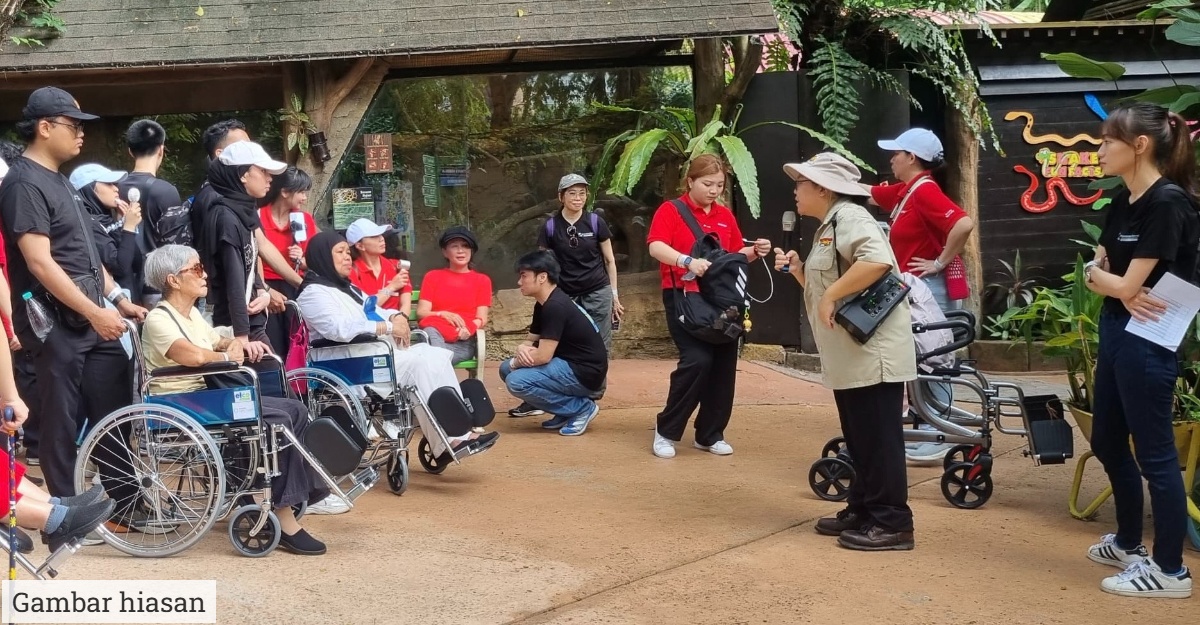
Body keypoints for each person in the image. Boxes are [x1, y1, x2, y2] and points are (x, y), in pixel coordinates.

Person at [0, 87, 148, 497]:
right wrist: (95, 312)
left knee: (114, 410)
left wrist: (117, 299)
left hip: (90, 316)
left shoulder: (61, 181)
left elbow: (84, 254)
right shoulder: (22, 184)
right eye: (73, 125)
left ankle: (124, 503)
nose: (81, 134)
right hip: (53, 323)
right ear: (44, 128)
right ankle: (63, 510)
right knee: (60, 420)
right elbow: (40, 262)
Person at [141, 244, 336, 555]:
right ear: (173, 280)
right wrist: (224, 354)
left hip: (207, 395)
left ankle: (290, 494)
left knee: (294, 409)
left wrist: (231, 343)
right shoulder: (159, 319)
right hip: (182, 401)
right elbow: (190, 356)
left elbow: (219, 340)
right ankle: (284, 518)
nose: (204, 274)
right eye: (196, 269)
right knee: (275, 420)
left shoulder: (190, 314)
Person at [1079, 101, 1196, 599]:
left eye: (1108, 141)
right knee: (1106, 438)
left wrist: (1108, 280)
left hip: (1149, 339)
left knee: (1155, 455)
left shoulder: (1168, 203)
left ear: (1140, 145)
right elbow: (1102, 272)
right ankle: (1129, 542)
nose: (1100, 149)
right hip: (1117, 330)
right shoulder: (1123, 202)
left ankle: (1170, 571)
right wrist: (1106, 280)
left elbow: (1125, 281)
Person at [774, 152, 916, 551]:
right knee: (861, 436)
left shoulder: (851, 218)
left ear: (823, 188)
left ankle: (893, 522)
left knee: (879, 437)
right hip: (851, 353)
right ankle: (864, 509)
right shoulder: (829, 226)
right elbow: (827, 291)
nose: (796, 191)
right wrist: (800, 270)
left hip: (873, 354)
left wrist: (832, 293)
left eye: (801, 183)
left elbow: (877, 261)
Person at [297, 232, 498, 453]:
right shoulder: (313, 293)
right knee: (422, 363)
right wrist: (390, 327)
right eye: (340, 252)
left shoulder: (346, 288)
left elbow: (376, 310)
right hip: (346, 363)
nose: (347, 257)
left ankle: (453, 436)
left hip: (367, 355)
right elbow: (338, 329)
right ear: (322, 257)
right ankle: (452, 439)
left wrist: (396, 317)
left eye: (347, 251)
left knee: (433, 355)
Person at [644, 154, 771, 459]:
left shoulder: (725, 215)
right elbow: (655, 245)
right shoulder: (671, 210)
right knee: (697, 360)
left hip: (722, 298)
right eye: (707, 184)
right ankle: (667, 430)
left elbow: (733, 255)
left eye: (719, 185)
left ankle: (710, 433)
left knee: (724, 365)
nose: (714, 190)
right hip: (683, 295)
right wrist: (686, 260)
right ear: (690, 181)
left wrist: (754, 251)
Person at [871, 128, 975, 463]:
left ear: (912, 158)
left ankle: (940, 434)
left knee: (935, 359)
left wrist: (940, 260)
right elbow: (871, 194)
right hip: (920, 289)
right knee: (924, 360)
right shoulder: (908, 190)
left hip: (931, 289)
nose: (892, 159)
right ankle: (934, 426)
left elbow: (963, 223)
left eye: (896, 153)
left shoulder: (924, 190)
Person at [509, 174, 623, 419]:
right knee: (552, 345)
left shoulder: (595, 222)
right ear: (561, 197)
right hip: (565, 293)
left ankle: (591, 397)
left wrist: (614, 295)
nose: (578, 198)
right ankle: (540, 395)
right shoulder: (550, 226)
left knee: (599, 345)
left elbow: (610, 260)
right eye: (572, 193)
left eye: (582, 193)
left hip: (596, 290)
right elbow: (542, 264)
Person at [190, 140, 284, 355]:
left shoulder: (242, 211)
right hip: (235, 327)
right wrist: (241, 338)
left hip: (250, 323)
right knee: (275, 386)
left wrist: (262, 290)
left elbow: (249, 264)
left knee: (275, 385)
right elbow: (233, 279)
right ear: (242, 174)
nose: (270, 177)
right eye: (262, 170)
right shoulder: (226, 217)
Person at [499, 251, 607, 435]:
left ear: (542, 277)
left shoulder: (555, 306)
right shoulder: (542, 303)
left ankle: (581, 408)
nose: (519, 282)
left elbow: (542, 356)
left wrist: (516, 361)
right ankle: (564, 411)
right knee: (505, 368)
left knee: (515, 380)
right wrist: (520, 348)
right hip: (568, 364)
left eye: (524, 276)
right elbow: (530, 341)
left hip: (584, 372)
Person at [192, 119, 304, 291]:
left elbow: (259, 244)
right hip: (221, 297)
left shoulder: (241, 198)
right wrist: (263, 289)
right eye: (242, 146)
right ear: (221, 154)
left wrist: (299, 284)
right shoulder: (216, 200)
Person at [120, 119, 185, 308]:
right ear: (161, 149)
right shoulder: (165, 191)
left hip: (121, 285)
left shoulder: (113, 187)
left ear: (130, 151)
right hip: (156, 287)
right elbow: (176, 245)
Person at [258, 166, 316, 358]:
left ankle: (300, 383)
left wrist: (303, 259)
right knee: (272, 342)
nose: (304, 198)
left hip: (296, 286)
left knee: (298, 342)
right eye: (301, 192)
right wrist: (264, 288)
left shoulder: (304, 220)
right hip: (266, 287)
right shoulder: (258, 217)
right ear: (284, 192)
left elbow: (315, 262)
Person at [416, 226, 491, 365]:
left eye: (465, 246)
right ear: (445, 252)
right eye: (454, 246)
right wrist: (442, 314)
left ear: (471, 251)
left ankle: (437, 381)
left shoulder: (482, 280)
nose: (461, 250)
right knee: (432, 337)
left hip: (462, 341)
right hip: (433, 335)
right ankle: (445, 382)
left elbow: (482, 318)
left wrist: (467, 329)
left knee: (432, 360)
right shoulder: (432, 277)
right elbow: (422, 312)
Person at [69, 163, 144, 300]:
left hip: (130, 300)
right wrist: (128, 228)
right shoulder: (86, 223)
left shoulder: (106, 220)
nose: (116, 189)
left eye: (115, 184)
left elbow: (137, 262)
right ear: (90, 189)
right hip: (113, 306)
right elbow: (120, 267)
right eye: (109, 184)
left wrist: (124, 225)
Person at [346, 218, 411, 313]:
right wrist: (391, 287)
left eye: (381, 235)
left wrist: (402, 318)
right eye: (374, 236)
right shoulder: (350, 272)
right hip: (368, 326)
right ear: (360, 246)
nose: (381, 239)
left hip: (396, 324)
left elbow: (406, 304)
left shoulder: (397, 266)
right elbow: (363, 308)